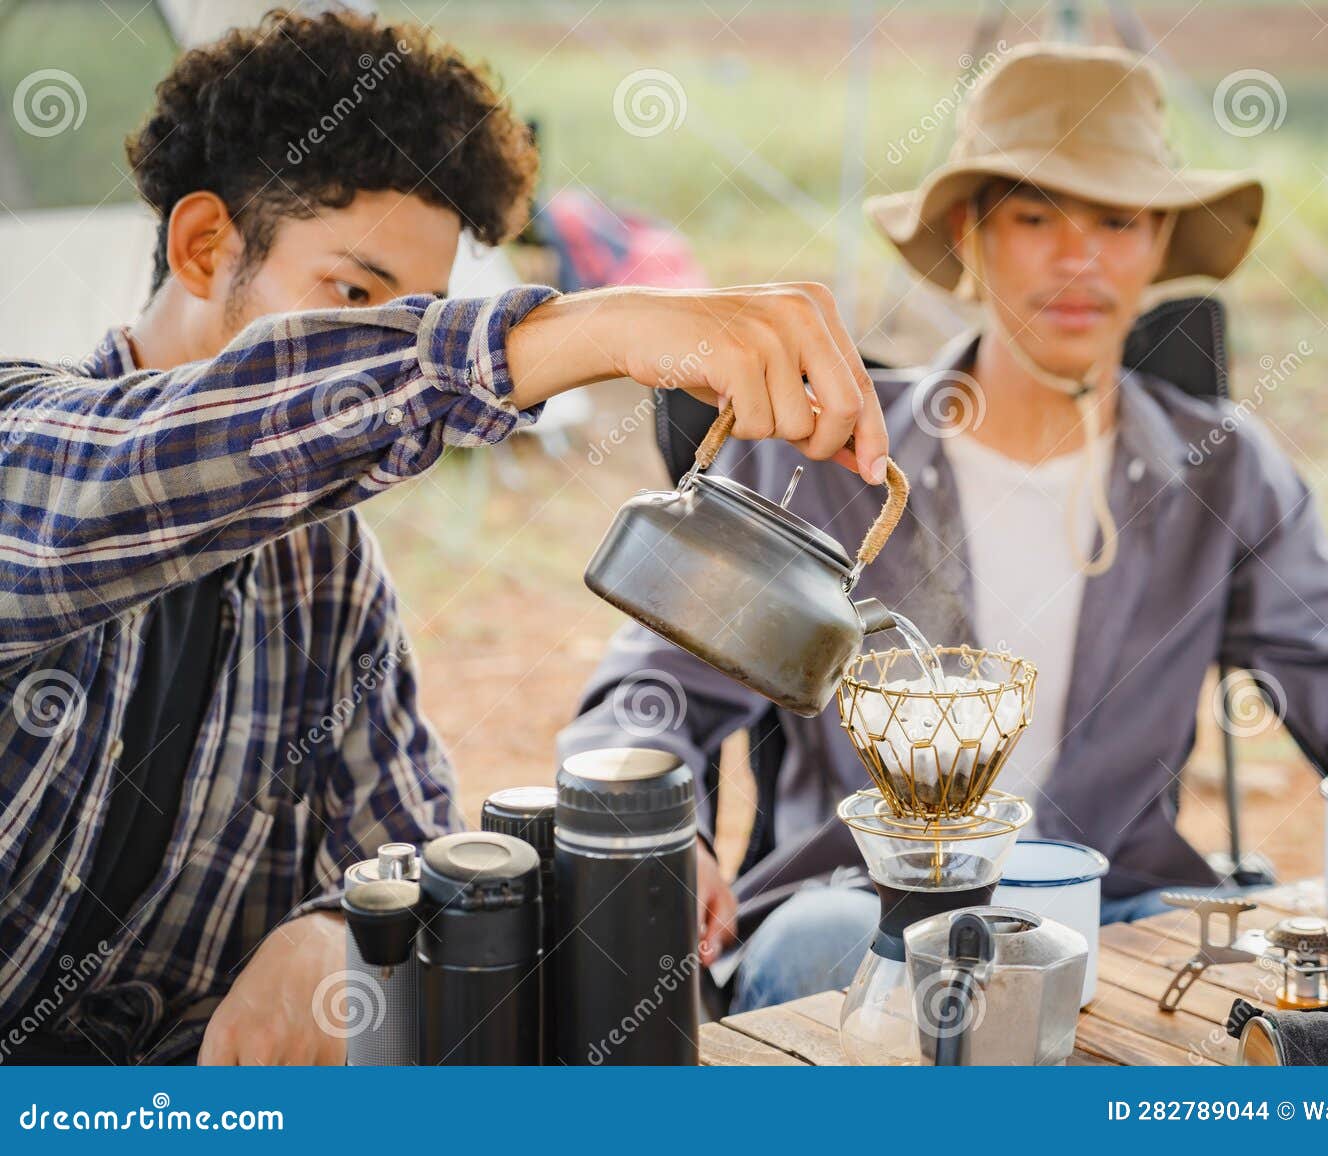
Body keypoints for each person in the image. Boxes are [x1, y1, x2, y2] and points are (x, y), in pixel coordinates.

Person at [0, 9, 887, 1064]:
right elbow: (132, 474)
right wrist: (587, 333)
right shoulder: (35, 452)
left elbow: (410, 844)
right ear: (203, 246)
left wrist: (336, 925)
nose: (381, 344)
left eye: (414, 313)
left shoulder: (327, 573)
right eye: (354, 298)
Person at [560, 43, 1328, 1013]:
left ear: (1158, 244)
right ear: (970, 234)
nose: (1078, 258)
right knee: (848, 949)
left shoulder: (1222, 469)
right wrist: (656, 829)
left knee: (1255, 991)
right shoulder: (815, 455)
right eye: (1033, 216)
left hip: (1119, 912)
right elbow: (649, 696)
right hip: (863, 910)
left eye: (1117, 220)